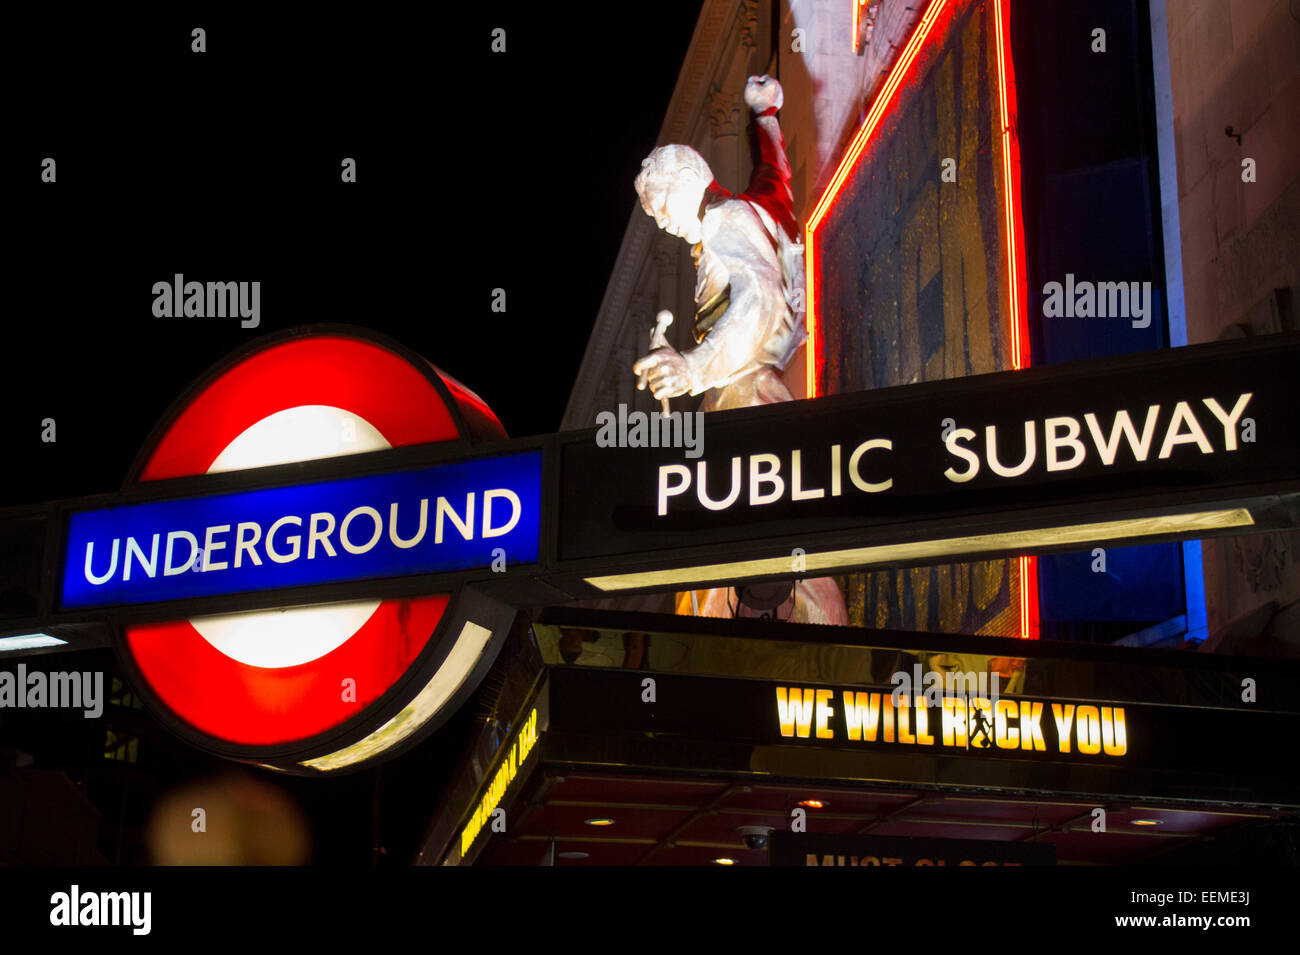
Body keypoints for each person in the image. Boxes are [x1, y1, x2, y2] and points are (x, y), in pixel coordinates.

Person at [631, 75, 847, 627]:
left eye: (656, 205)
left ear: (684, 183)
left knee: (717, 555)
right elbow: (777, 179)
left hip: (742, 397)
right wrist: (766, 115)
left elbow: (760, 298)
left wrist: (693, 367)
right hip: (754, 392)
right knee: (784, 541)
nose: (658, 220)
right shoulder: (746, 215)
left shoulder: (723, 221)